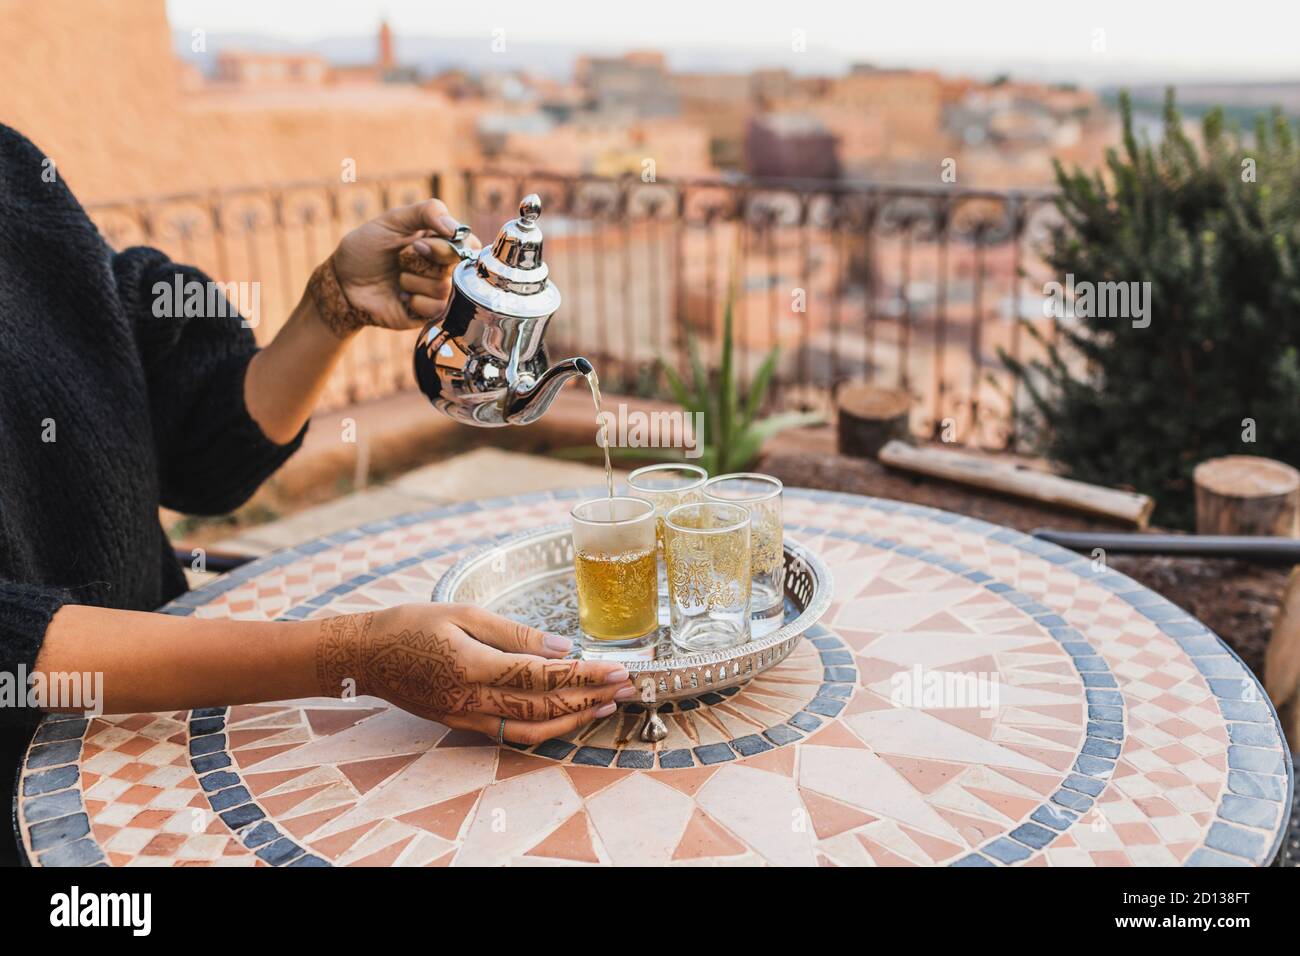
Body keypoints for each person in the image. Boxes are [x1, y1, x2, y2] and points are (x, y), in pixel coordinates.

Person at [0, 126, 634, 864]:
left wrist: (334, 302)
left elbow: (204, 453)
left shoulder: (15, 174)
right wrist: (351, 654)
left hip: (154, 733)